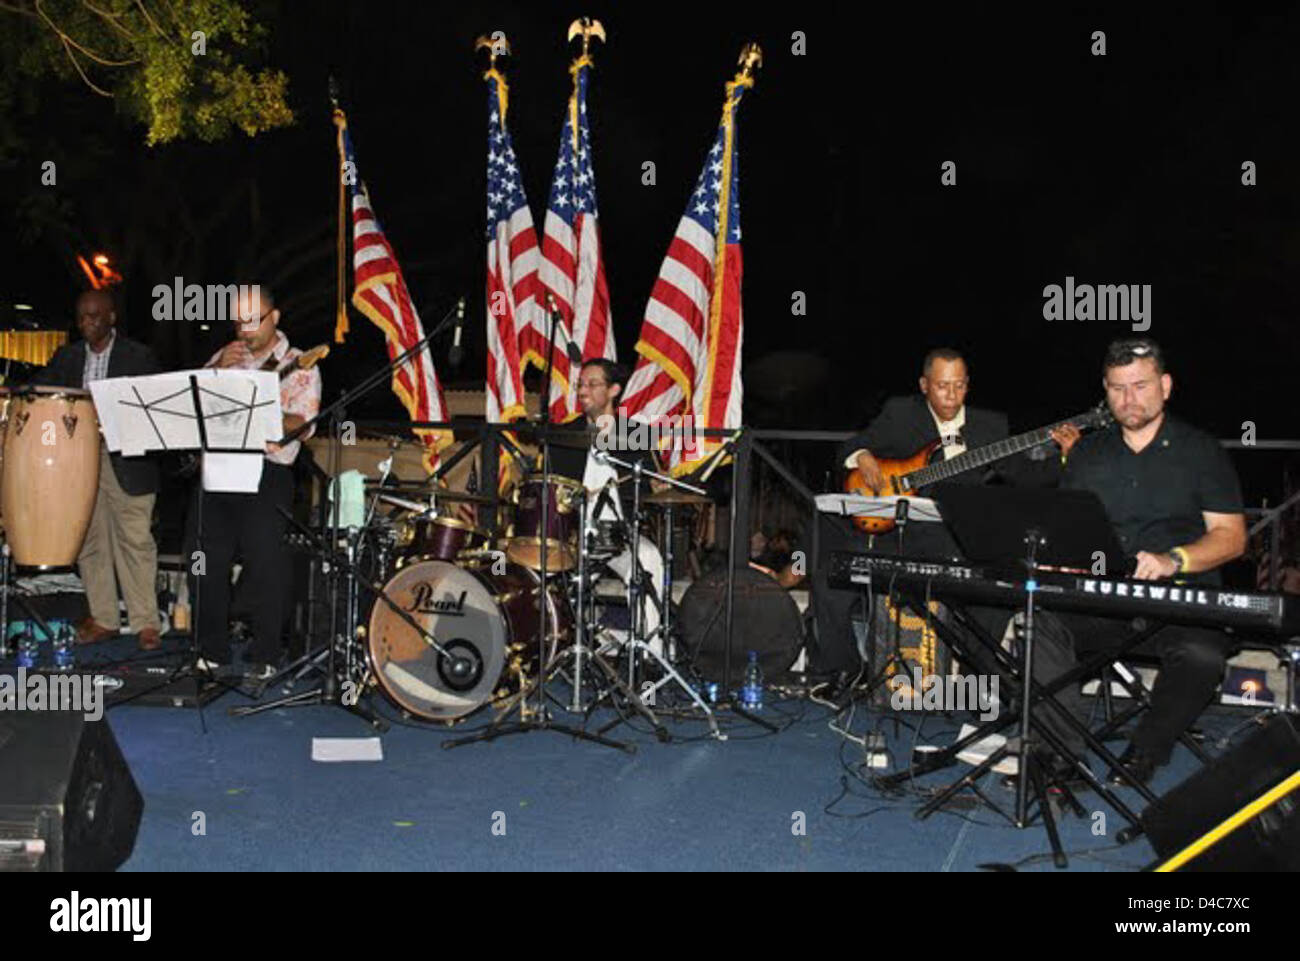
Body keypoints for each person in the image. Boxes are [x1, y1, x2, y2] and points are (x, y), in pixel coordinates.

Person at [1049, 337, 1246, 784]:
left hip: (1180, 598)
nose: (1128, 399)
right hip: (1105, 599)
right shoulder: (1086, 454)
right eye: (1117, 388)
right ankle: (1063, 749)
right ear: (1105, 388)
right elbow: (1071, 529)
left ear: (1166, 386)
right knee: (1038, 623)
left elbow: (1231, 539)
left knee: (1201, 655)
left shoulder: (1202, 452)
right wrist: (1064, 561)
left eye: (1140, 385)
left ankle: (1146, 751)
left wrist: (1174, 559)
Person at [809, 347, 1071, 675]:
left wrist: (1064, 458)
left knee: (999, 586)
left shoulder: (990, 426)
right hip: (897, 534)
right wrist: (862, 455)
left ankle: (975, 681)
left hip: (956, 539)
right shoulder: (901, 413)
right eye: (942, 386)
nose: (951, 395)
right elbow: (849, 448)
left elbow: (1025, 476)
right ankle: (842, 672)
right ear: (924, 385)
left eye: (959, 386)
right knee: (830, 577)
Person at [184, 286, 321, 679]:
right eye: (239, 321)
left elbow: (303, 422)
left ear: (275, 317)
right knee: (204, 560)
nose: (246, 330)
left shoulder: (300, 362)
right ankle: (211, 649)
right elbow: (195, 407)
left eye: (254, 320)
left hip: (266, 471)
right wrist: (215, 372)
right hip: (217, 468)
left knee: (265, 563)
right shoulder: (224, 356)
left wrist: (260, 409)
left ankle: (266, 654)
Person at [35, 289, 162, 651]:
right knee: (90, 540)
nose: (87, 323)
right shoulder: (67, 356)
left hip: (128, 461)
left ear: (111, 318)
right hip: (79, 460)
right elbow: (42, 390)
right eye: (81, 318)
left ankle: (146, 622)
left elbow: (152, 410)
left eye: (94, 316)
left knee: (134, 539)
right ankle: (104, 617)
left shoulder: (139, 357)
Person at [548, 358, 667, 654]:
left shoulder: (636, 435)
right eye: (580, 384)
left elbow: (655, 487)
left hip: (617, 535)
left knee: (650, 559)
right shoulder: (562, 436)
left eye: (592, 384)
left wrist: (661, 486)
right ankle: (552, 647)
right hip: (572, 534)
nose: (582, 390)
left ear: (614, 390)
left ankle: (649, 654)